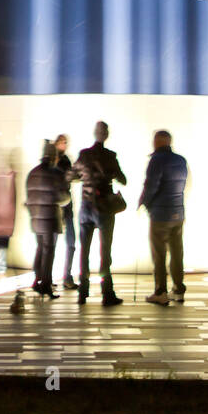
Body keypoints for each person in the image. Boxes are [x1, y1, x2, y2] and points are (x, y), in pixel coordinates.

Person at [72, 120, 128, 306]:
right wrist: (110, 176)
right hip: (104, 209)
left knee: (84, 251)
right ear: (106, 134)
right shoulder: (111, 156)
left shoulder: (84, 155)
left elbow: (71, 176)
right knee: (105, 252)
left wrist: (85, 178)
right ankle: (106, 293)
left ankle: (83, 291)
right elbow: (123, 179)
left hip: (85, 208)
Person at [139, 128, 189, 305]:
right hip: (178, 214)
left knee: (159, 254)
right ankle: (178, 289)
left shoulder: (156, 160)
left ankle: (160, 291)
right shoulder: (181, 160)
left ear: (158, 141)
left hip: (160, 214)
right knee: (177, 252)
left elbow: (151, 185)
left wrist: (144, 202)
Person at [25, 143, 68, 297]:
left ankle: (37, 279)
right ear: (54, 157)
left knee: (40, 248)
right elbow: (62, 198)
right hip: (50, 219)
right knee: (49, 251)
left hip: (36, 218)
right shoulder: (55, 174)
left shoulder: (32, 173)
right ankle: (46, 285)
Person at [50, 134, 78, 289]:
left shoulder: (65, 160)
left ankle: (66, 276)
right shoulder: (52, 161)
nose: (64, 145)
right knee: (52, 243)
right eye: (62, 142)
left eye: (66, 142)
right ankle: (51, 277)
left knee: (70, 242)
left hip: (64, 204)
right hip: (58, 204)